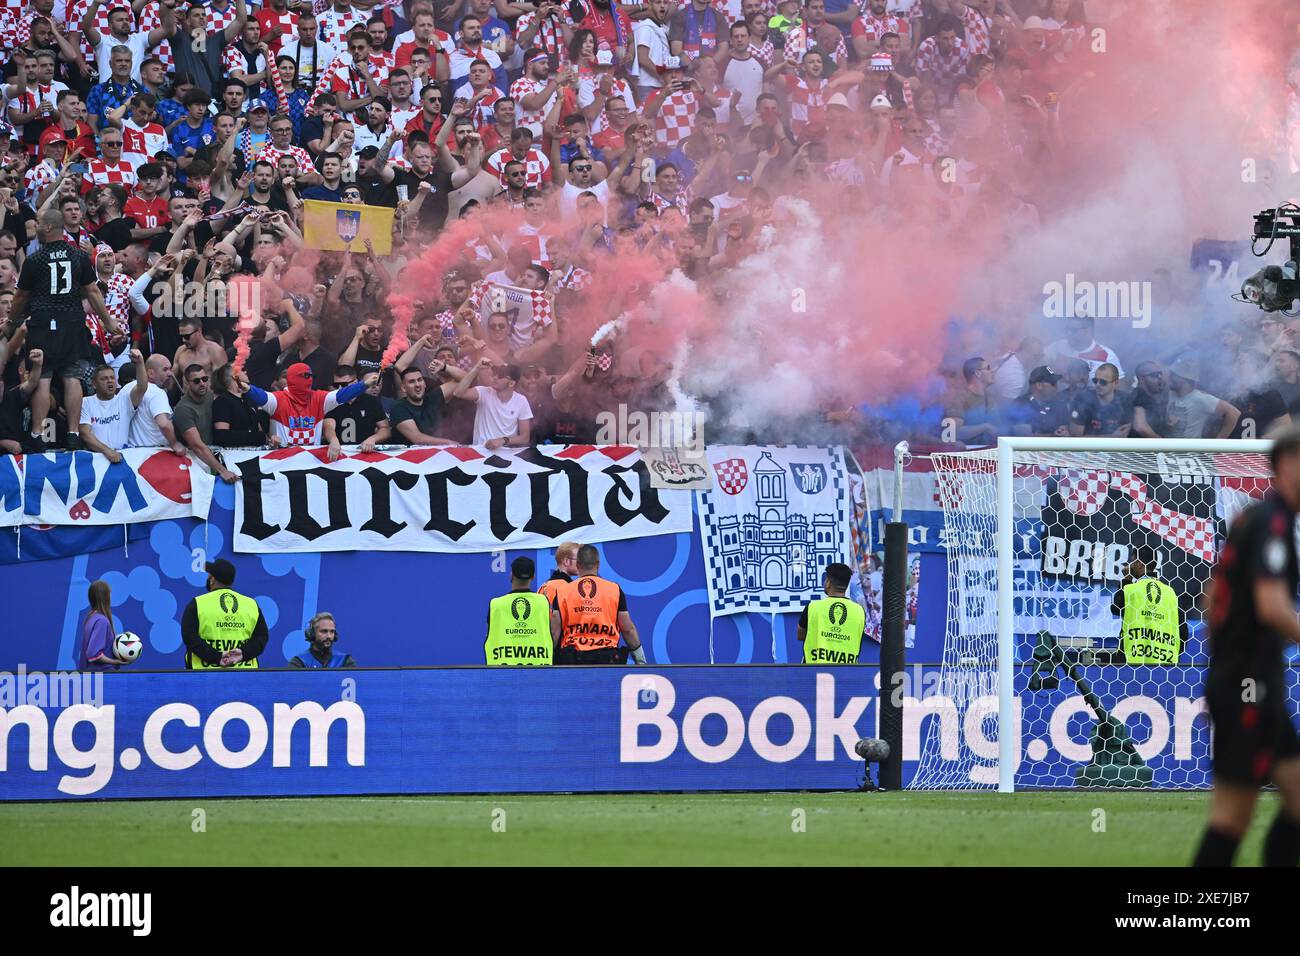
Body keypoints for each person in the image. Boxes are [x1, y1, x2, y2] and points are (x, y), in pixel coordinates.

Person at [1194, 428, 1300, 867]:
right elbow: (1272, 607)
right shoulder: (1272, 524)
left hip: (1247, 677)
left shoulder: (1252, 519)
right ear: (1284, 467)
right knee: (1232, 816)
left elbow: (1210, 599)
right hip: (1248, 683)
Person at [8, 208, 120, 452]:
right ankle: (72, 434)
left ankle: (37, 435)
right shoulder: (78, 256)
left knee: (43, 377)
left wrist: (11, 321)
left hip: (42, 322)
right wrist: (109, 321)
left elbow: (20, 297)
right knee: (72, 377)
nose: (35, 226)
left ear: (48, 228)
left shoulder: (35, 259)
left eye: (38, 223)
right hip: (72, 322)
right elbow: (92, 291)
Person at [551, 543, 647, 664]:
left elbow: (554, 632)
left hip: (573, 662)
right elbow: (628, 629)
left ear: (578, 564)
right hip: (607, 660)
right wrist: (641, 661)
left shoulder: (562, 592)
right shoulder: (614, 590)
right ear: (598, 564)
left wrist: (549, 661)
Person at [180, 557, 270, 669]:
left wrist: (217, 657)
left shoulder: (197, 603)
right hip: (245, 674)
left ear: (212, 579)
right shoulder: (251, 604)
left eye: (209, 576)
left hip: (203, 676)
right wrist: (243, 653)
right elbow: (261, 637)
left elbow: (190, 637)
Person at [1110, 553, 1184, 665]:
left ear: (1139, 564)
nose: (1130, 566)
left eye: (1132, 562)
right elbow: (1182, 632)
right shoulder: (1170, 593)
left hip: (1131, 662)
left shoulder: (1130, 589)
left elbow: (1116, 608)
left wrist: (1126, 579)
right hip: (1165, 663)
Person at [485, 556, 558, 666]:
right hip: (539, 672)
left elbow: (489, 635)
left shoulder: (496, 604)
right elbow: (553, 632)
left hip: (501, 674)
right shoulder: (543, 602)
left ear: (511, 576)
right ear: (533, 576)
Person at [79, 351, 148, 459]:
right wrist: (107, 451)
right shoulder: (86, 402)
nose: (109, 381)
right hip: (96, 458)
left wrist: (140, 363)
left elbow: (142, 387)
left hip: (122, 457)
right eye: (104, 379)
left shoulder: (125, 400)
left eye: (112, 378)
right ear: (94, 384)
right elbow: (85, 434)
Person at [797, 562, 866, 664]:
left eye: (826, 580)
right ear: (846, 585)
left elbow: (800, 635)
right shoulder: (859, 611)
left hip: (812, 672)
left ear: (828, 583)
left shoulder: (813, 607)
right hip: (848, 673)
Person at [79, 579, 127, 671]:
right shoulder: (101, 621)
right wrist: (115, 662)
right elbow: (93, 654)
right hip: (103, 677)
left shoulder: (91, 618)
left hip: (93, 677)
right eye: (109, 594)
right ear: (105, 597)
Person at [288, 612, 356, 668]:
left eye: (332, 632)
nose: (329, 636)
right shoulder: (298, 662)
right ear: (312, 634)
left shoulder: (345, 661)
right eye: (324, 631)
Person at [538, 540, 580, 605]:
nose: (581, 563)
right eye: (579, 559)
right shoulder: (567, 587)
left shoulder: (544, 586)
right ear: (566, 561)